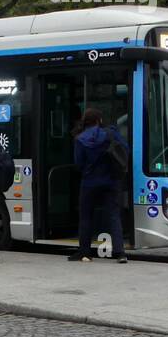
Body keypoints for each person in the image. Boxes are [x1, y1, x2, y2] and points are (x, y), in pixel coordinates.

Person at [68, 107, 128, 263]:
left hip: (89, 182)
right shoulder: (111, 134)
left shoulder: (80, 139)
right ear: (99, 120)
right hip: (111, 181)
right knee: (114, 215)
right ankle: (120, 253)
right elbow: (124, 149)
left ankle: (84, 252)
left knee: (85, 217)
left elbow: (79, 163)